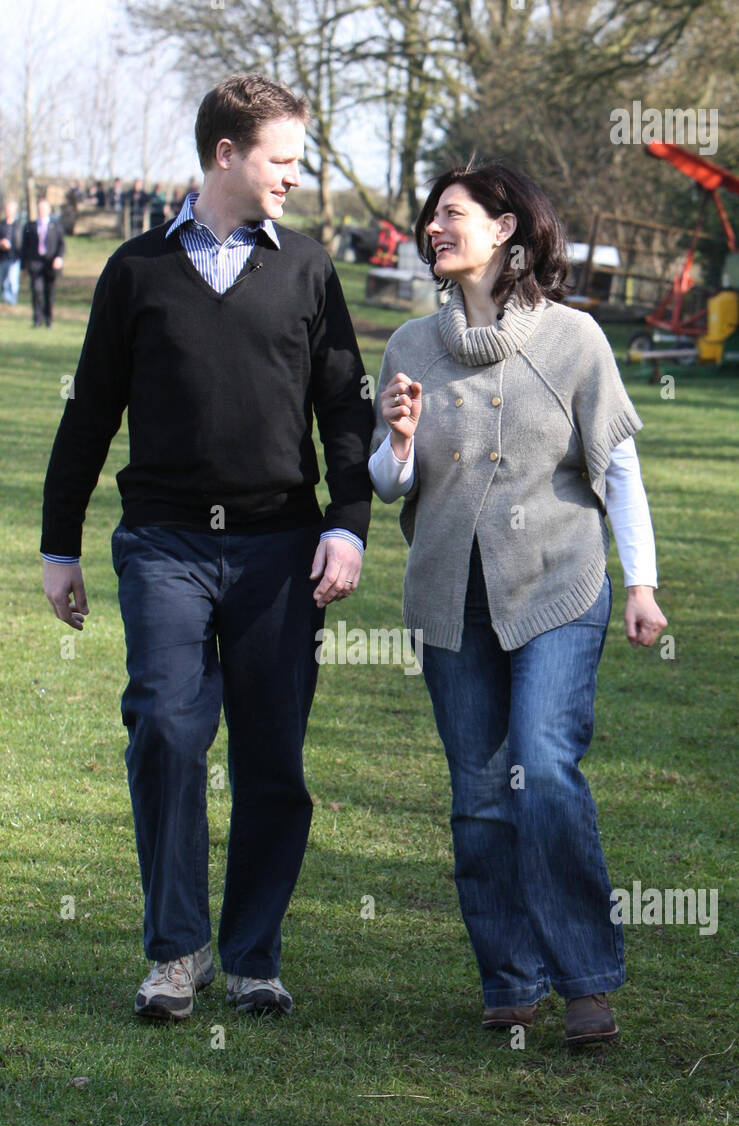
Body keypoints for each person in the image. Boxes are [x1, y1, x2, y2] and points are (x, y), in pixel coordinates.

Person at [40, 72, 374, 1022]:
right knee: (168, 730)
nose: (294, 179)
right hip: (164, 545)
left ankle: (254, 957)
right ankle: (175, 952)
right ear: (225, 153)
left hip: (280, 550)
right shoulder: (135, 272)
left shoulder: (309, 269)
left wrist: (346, 522)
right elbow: (89, 411)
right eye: (282, 160)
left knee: (273, 759)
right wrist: (59, 543)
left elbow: (343, 409)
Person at [369, 160, 667, 1046]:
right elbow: (388, 486)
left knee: (540, 764)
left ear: (505, 229)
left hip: (557, 588)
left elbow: (616, 463)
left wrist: (641, 583)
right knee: (478, 796)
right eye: (429, 218)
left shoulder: (574, 341)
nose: (433, 228)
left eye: (450, 214)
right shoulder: (408, 348)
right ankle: (508, 979)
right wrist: (398, 439)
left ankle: (583, 979)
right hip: (449, 596)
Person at [21, 199, 65, 326]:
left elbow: (61, 244)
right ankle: (37, 319)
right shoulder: (30, 226)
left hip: (51, 263)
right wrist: (24, 266)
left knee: (49, 291)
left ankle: (49, 319)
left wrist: (59, 258)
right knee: (37, 290)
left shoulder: (56, 226)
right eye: (40, 209)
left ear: (48, 210)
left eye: (44, 209)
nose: (42, 211)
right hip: (35, 263)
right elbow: (25, 246)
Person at [0, 200, 23, 305]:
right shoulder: (1, 225)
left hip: (14, 257)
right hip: (2, 256)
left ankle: (12, 300)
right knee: (3, 279)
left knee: (13, 279)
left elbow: (20, 241)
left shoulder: (18, 226)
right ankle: (5, 298)